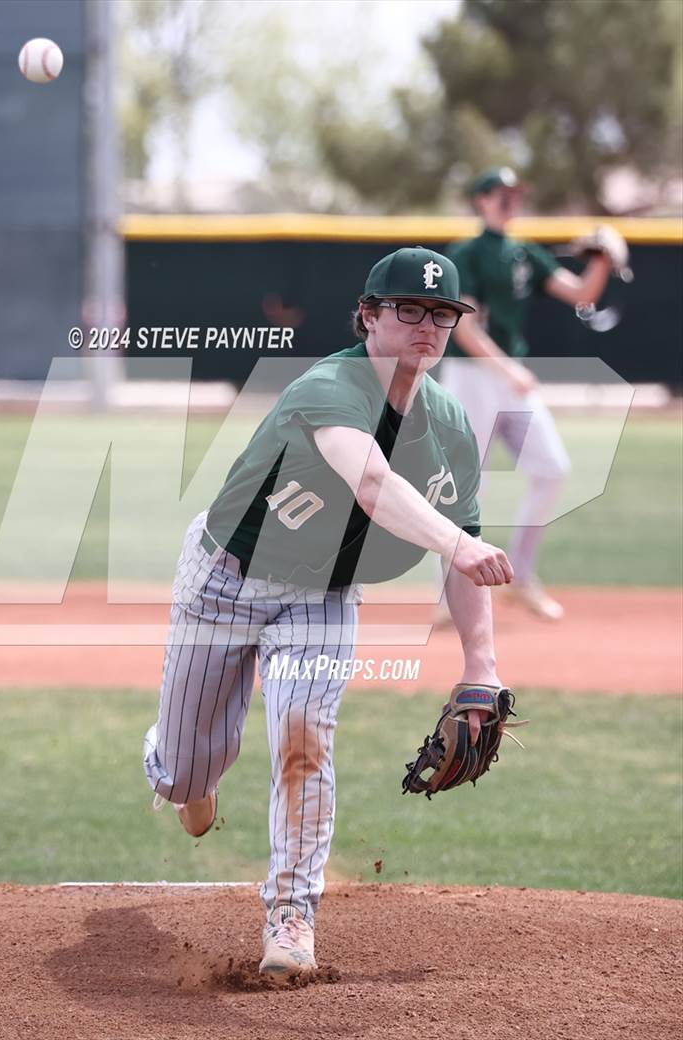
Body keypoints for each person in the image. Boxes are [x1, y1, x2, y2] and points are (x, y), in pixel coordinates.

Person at [143, 247, 513, 981]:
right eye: (409, 309)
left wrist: (481, 665)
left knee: (303, 733)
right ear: (369, 315)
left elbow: (460, 553)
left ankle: (292, 915)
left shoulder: (450, 425)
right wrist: (455, 541)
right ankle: (184, 769)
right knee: (186, 778)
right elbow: (372, 483)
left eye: (443, 313)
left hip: (323, 596)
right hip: (227, 580)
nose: (427, 326)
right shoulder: (329, 385)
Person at [440, 167, 626, 620]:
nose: (509, 200)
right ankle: (451, 598)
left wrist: (603, 256)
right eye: (500, 194)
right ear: (481, 200)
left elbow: (581, 291)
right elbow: (463, 326)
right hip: (471, 376)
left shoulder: (525, 252)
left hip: (510, 378)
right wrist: (506, 369)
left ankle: (520, 576)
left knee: (552, 468)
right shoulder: (466, 252)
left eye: (515, 194)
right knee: (465, 485)